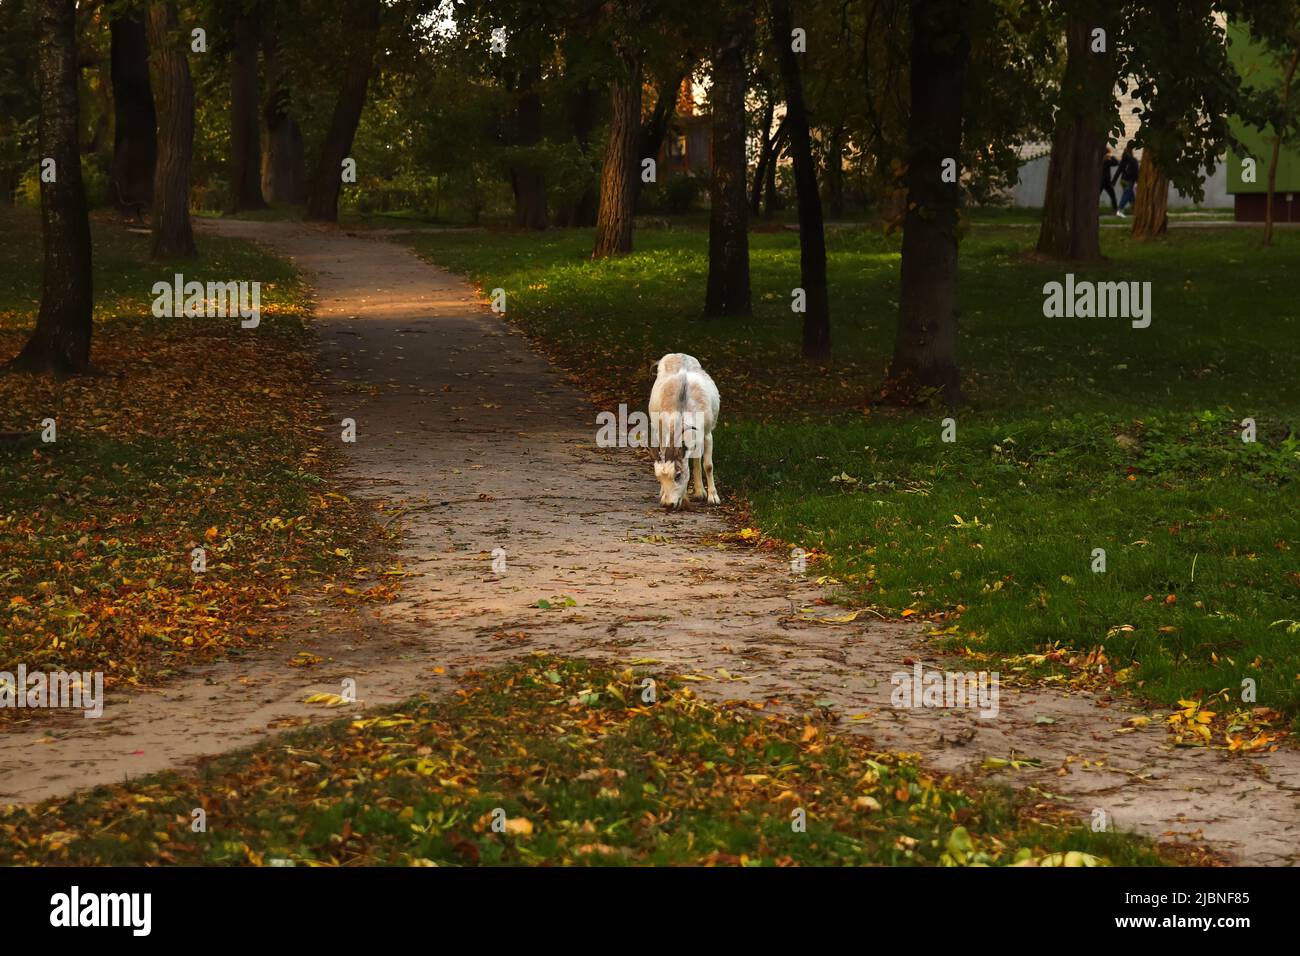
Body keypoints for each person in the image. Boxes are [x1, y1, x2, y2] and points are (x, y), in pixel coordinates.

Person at [1115, 141, 1139, 217]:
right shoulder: (1133, 160)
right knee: (1126, 195)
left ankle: (1136, 212)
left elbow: (1119, 169)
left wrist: (1114, 180)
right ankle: (1119, 210)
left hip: (1123, 180)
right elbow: (1135, 172)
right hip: (1129, 181)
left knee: (1132, 198)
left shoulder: (1124, 158)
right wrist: (1138, 181)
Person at [1101, 147, 1119, 215]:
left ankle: (1115, 210)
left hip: (1102, 182)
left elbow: (1116, 163)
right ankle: (1115, 210)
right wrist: (1111, 156)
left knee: (1112, 196)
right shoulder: (1106, 161)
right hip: (1106, 182)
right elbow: (1116, 162)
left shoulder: (1104, 161)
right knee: (1113, 196)